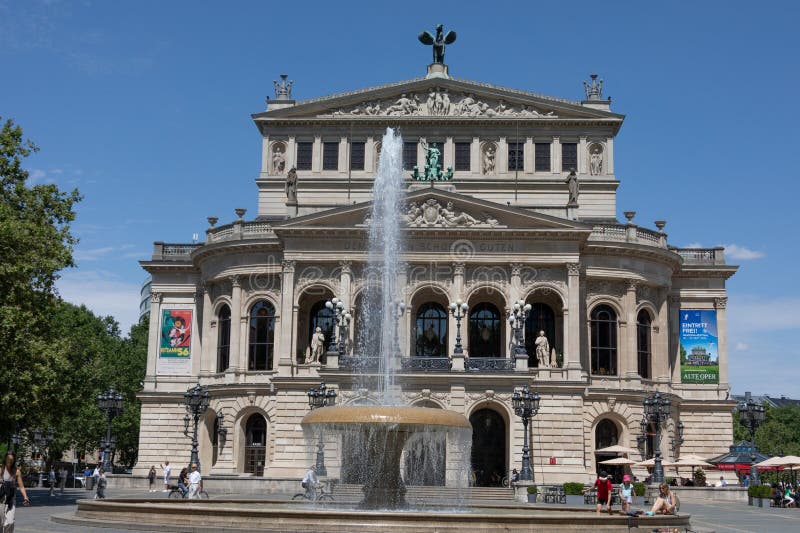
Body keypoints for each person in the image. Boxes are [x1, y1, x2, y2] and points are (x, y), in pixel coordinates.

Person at [1, 452, 31, 532]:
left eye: (11, 460)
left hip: (11, 498)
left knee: (10, 522)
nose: (9, 461)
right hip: (1, 498)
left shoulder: (17, 471)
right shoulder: (1, 469)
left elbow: (21, 486)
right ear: (5, 459)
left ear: (14, 461)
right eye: (8, 459)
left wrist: (25, 497)